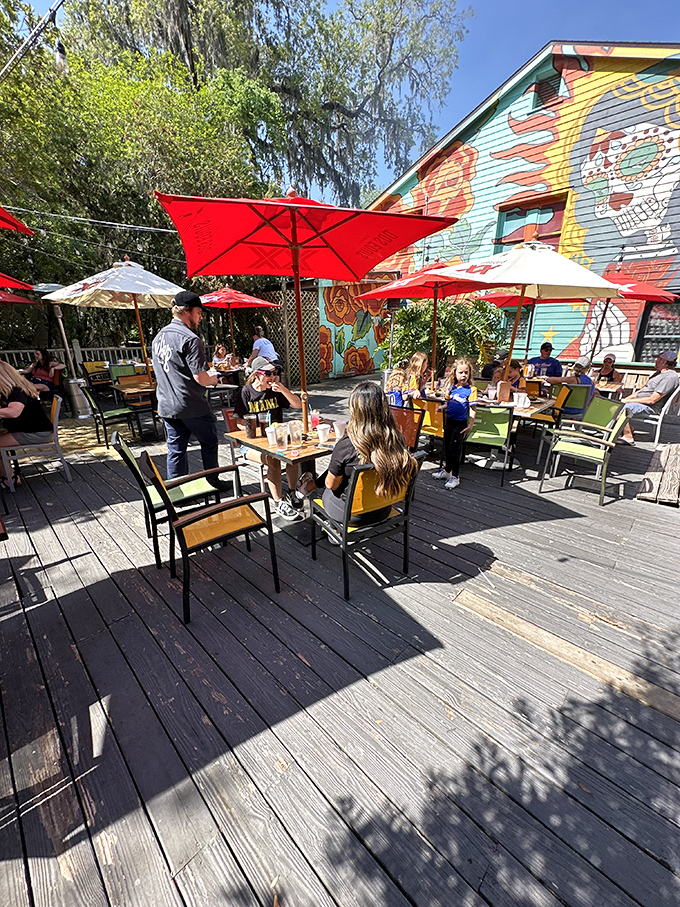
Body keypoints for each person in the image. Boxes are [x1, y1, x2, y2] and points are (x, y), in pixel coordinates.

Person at [298, 381, 415, 529]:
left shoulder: (347, 445)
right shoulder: (396, 438)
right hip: (383, 507)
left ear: (355, 410)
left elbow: (331, 485)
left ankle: (334, 528)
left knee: (329, 490)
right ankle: (309, 488)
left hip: (352, 515)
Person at [151, 290, 223, 483]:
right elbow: (201, 378)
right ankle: (212, 483)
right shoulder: (190, 339)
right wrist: (214, 379)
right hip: (191, 405)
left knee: (175, 451)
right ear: (187, 311)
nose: (200, 318)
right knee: (209, 442)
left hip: (166, 406)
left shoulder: (158, 337)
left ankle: (177, 492)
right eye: (199, 312)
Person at [233, 356, 303, 521]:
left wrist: (284, 390)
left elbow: (298, 405)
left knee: (294, 454)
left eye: (275, 372)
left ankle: (292, 492)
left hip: (277, 440)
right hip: (251, 446)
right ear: (257, 375)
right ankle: (278, 502)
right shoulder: (245, 392)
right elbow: (239, 424)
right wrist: (256, 432)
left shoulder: (276, 391)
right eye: (268, 373)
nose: (272, 377)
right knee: (274, 459)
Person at [0, 361, 53, 488]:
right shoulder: (15, 388)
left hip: (38, 433)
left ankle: (10, 478)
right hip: (32, 428)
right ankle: (9, 474)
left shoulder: (17, 391)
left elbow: (13, 412)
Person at [433, 358, 478, 490]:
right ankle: (447, 471)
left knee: (455, 451)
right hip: (449, 422)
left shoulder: (471, 390)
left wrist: (470, 425)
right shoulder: (452, 388)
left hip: (460, 424)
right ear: (455, 374)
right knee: (446, 447)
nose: (463, 375)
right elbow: (449, 402)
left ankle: (455, 476)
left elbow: (473, 409)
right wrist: (442, 407)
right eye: (461, 372)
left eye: (466, 372)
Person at [620, 350, 679, 445]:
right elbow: (641, 391)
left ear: (663, 361)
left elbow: (652, 400)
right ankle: (629, 428)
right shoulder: (659, 373)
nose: (655, 361)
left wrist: (627, 401)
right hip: (640, 403)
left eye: (658, 359)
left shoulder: (670, 377)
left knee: (623, 408)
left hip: (651, 407)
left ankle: (628, 436)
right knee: (617, 405)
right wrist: (626, 399)